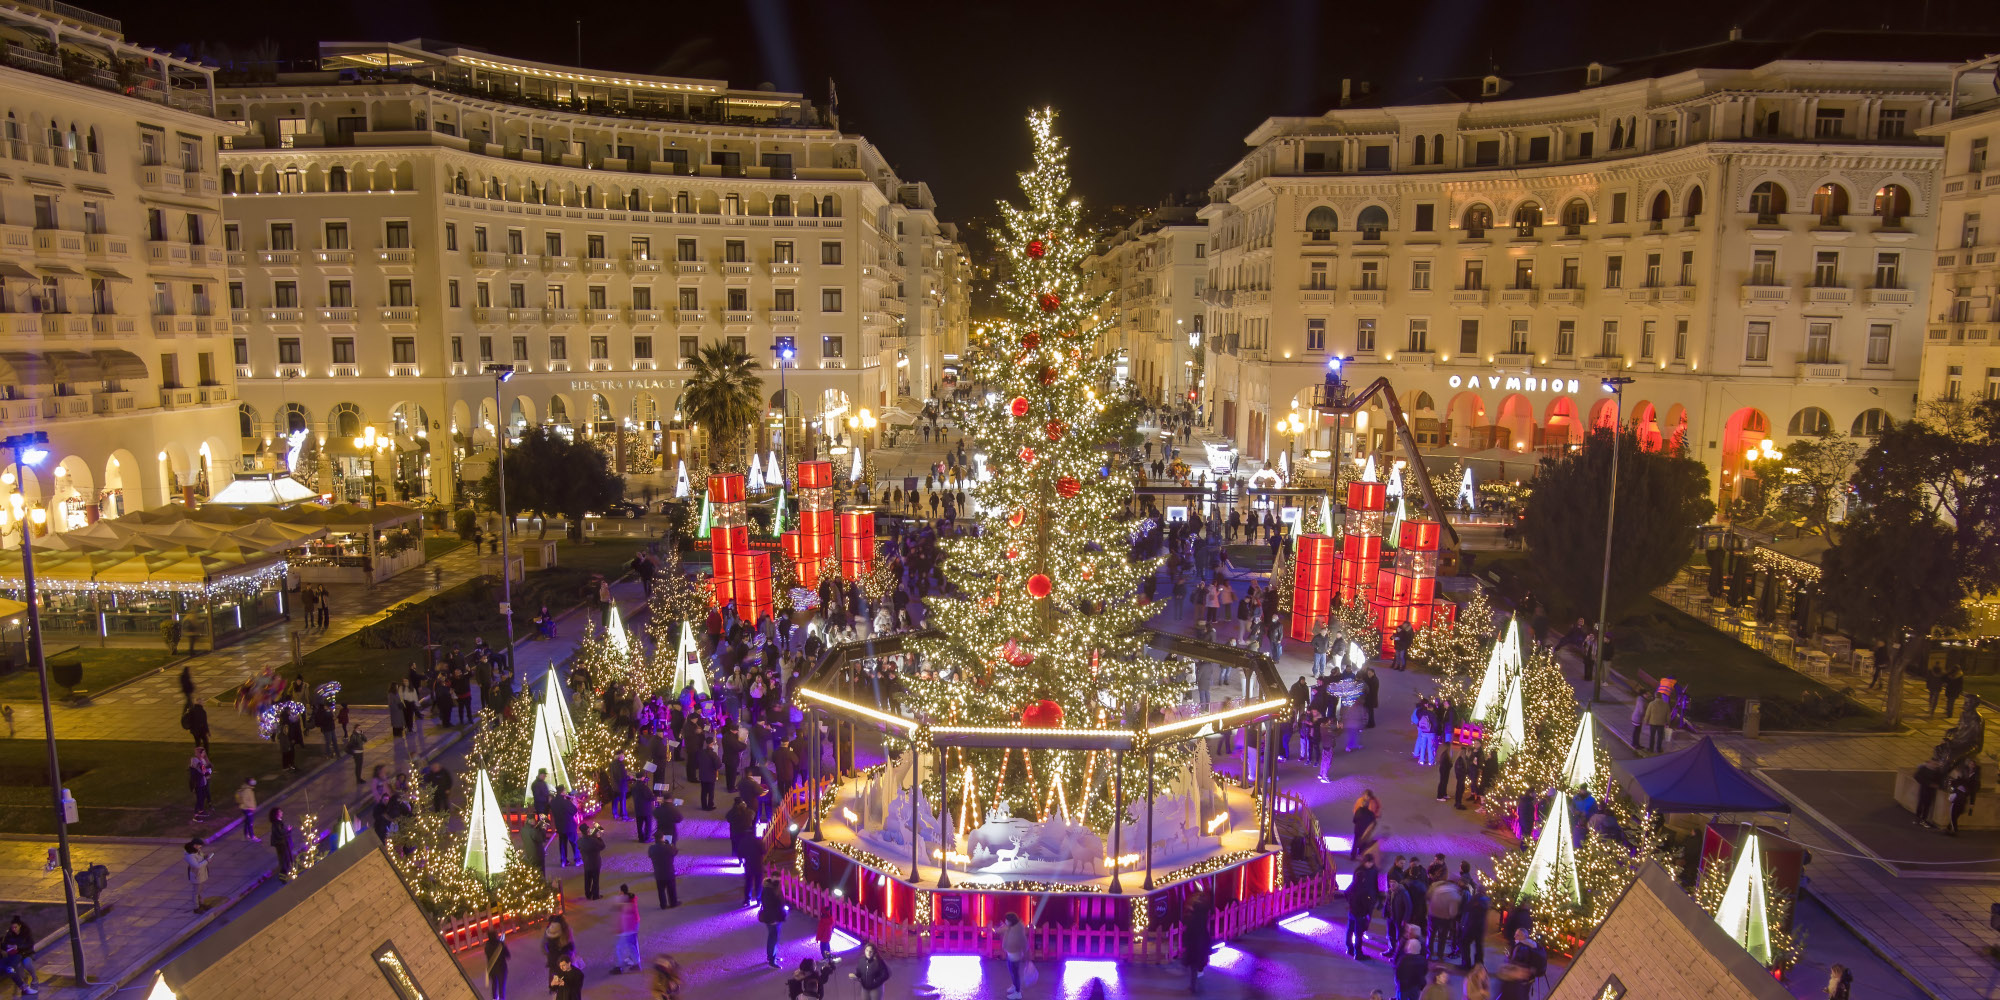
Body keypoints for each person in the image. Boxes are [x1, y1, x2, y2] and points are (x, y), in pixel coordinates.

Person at [1346, 857, 1380, 959]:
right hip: (1360, 914)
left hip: (1352, 912)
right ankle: (1358, 953)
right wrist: (1367, 913)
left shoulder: (1353, 886)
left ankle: (1349, 948)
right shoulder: (1363, 891)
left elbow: (1346, 893)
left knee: (1350, 930)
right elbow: (1366, 904)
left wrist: (1351, 903)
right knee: (1358, 934)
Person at [1181, 889, 1213, 993]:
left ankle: (1193, 985)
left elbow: (1187, 924)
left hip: (1194, 941)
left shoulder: (1193, 917)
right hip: (1201, 939)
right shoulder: (1204, 912)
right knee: (1198, 961)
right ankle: (1198, 974)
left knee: (1193, 964)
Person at [758, 874, 788, 968]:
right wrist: (774, 919)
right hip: (772, 918)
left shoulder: (771, 889)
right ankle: (772, 960)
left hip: (775, 917)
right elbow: (772, 906)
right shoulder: (769, 891)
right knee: (773, 938)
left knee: (774, 937)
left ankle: (772, 956)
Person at [1001, 912, 1031, 999]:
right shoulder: (1010, 928)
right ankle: (1014, 986)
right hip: (1010, 954)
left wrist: (1027, 956)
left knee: (1015, 973)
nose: (1005, 921)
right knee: (1011, 971)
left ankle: (1018, 993)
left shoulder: (1018, 930)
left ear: (1011, 921)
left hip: (1015, 956)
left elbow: (1024, 943)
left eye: (1007, 920)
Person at [2, 916, 35, 993]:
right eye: (12, 927)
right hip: (12, 955)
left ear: (20, 926)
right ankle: (24, 987)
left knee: (12, 967)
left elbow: (30, 944)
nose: (14, 929)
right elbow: (3, 945)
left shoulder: (26, 933)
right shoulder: (9, 933)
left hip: (22, 954)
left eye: (15, 927)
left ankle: (28, 984)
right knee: (8, 967)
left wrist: (18, 947)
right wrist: (7, 946)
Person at [612, 885, 641, 974]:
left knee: (618, 947)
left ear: (622, 892)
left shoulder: (624, 903)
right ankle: (636, 963)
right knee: (632, 945)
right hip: (634, 925)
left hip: (627, 928)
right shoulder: (631, 900)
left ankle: (618, 967)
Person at [648, 833, 680, 908]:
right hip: (669, 872)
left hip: (658, 873)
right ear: (662, 838)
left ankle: (663, 905)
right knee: (671, 889)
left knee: (661, 890)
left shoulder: (652, 848)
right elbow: (675, 852)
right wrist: (670, 845)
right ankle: (673, 903)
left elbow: (650, 855)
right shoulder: (668, 847)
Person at [579, 823, 607, 899]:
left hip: (586, 863)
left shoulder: (580, 841)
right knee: (595, 880)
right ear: (588, 830)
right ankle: (595, 895)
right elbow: (602, 846)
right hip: (595, 863)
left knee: (587, 879)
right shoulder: (594, 841)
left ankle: (588, 894)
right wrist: (598, 837)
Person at [184, 838, 210, 913]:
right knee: (196, 892)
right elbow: (196, 866)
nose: (200, 847)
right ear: (195, 845)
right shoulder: (190, 856)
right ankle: (196, 907)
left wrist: (205, 857)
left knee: (200, 891)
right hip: (196, 875)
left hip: (201, 874)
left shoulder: (196, 851)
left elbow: (200, 857)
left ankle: (201, 904)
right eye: (199, 846)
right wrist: (206, 861)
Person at [483, 929, 510, 1000]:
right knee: (501, 985)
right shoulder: (500, 944)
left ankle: (494, 998)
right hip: (501, 968)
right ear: (496, 936)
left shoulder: (487, 946)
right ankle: (501, 998)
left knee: (494, 984)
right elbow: (508, 955)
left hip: (492, 969)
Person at [270, 807, 295, 880]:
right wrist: (288, 830)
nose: (282, 812)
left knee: (285, 860)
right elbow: (281, 834)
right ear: (277, 814)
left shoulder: (277, 823)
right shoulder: (277, 824)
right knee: (285, 860)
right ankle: (283, 876)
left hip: (283, 845)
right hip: (283, 845)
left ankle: (286, 874)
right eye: (280, 811)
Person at [1643, 689, 1670, 753]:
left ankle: (1651, 749)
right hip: (1661, 723)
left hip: (1653, 723)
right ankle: (1658, 749)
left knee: (1652, 736)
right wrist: (1668, 723)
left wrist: (1646, 721)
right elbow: (1668, 715)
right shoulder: (1666, 705)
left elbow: (1647, 713)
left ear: (1655, 696)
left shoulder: (1651, 704)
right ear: (1661, 697)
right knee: (1660, 737)